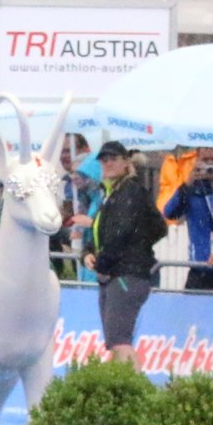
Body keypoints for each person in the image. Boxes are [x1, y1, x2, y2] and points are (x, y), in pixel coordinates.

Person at [84, 141, 161, 363]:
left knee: (120, 342)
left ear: (126, 162)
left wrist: (109, 260)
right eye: (104, 160)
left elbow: (122, 234)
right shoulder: (112, 193)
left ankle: (136, 394)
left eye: (113, 159)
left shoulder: (131, 192)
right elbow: (101, 230)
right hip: (117, 273)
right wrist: (88, 252)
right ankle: (121, 390)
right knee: (115, 343)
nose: (107, 163)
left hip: (127, 274)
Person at [160, 147, 213, 291]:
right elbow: (169, 213)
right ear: (197, 161)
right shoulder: (191, 189)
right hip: (202, 266)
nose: (210, 165)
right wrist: (187, 185)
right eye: (205, 161)